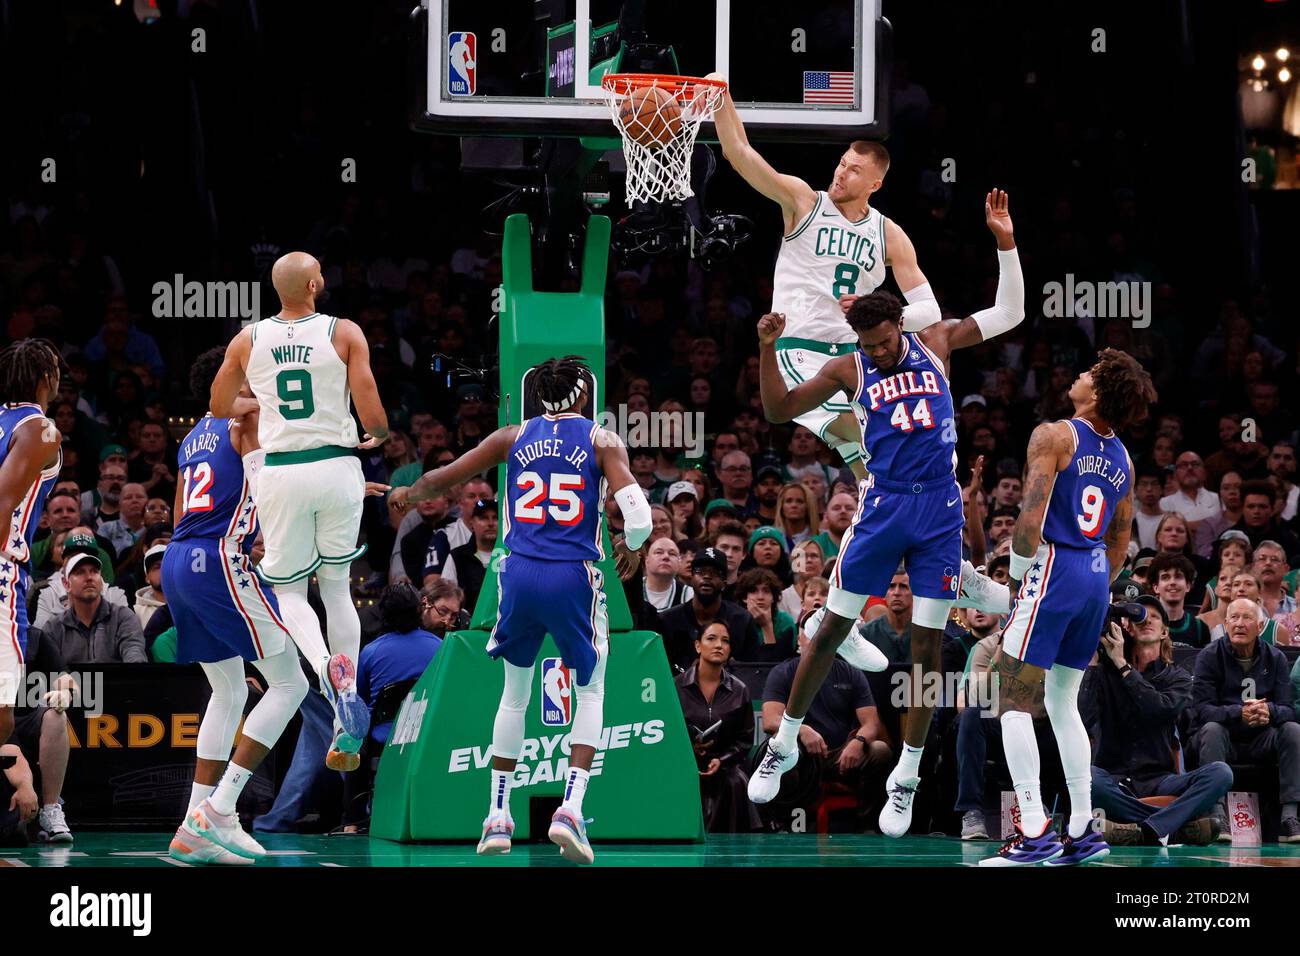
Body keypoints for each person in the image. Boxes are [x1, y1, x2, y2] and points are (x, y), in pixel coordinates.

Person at [747, 191, 1027, 844]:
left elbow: (1011, 310)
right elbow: (778, 410)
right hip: (882, 506)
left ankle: (905, 775)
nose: (876, 352)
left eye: (882, 342)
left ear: (899, 327)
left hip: (937, 509)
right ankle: (784, 742)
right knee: (833, 630)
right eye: (867, 345)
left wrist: (1004, 239)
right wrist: (767, 347)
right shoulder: (849, 367)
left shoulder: (936, 342)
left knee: (929, 646)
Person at [391, 356, 651, 864]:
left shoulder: (511, 435)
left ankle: (496, 817)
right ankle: (571, 808)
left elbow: (446, 475)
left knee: (514, 696)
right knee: (590, 688)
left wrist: (408, 492)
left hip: (520, 573)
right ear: (581, 396)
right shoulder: (601, 441)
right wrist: (634, 545)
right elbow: (638, 516)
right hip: (573, 574)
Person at [707, 74, 942, 478]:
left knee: (873, 469)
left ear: (875, 183)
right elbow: (740, 153)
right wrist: (721, 100)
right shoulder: (804, 201)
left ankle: (895, 525)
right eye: (842, 163)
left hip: (856, 357)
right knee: (872, 434)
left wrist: (878, 314)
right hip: (800, 349)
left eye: (853, 171)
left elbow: (930, 310)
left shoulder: (889, 234)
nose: (841, 173)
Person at [210, 251, 388, 771]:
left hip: (283, 471)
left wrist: (252, 401)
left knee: (288, 591)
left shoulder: (248, 338)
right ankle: (346, 701)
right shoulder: (344, 330)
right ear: (315, 284)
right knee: (336, 588)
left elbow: (219, 405)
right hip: (338, 467)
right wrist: (376, 433)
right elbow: (368, 395)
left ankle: (329, 680)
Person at [979, 349, 1154, 866]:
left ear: (1095, 393)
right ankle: (1082, 829)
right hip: (1096, 574)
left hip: (1053, 566)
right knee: (1062, 703)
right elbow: (1121, 541)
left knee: (1011, 699)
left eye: (1086, 374)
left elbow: (1029, 520)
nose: (1076, 375)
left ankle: (1033, 831)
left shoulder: (1053, 435)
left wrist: (1016, 579)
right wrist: (1092, 580)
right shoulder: (1123, 457)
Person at [162, 350, 313, 864]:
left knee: (227, 689)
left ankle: (192, 826)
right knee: (292, 682)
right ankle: (222, 807)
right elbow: (273, 483)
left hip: (178, 557)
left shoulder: (191, 435)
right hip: (216, 561)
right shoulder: (245, 416)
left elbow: (184, 509)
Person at [1084, 595, 1232, 847]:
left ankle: (1138, 829)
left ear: (1165, 631)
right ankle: (1168, 828)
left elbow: (1160, 710)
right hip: (1113, 778)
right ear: (1127, 627)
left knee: (1221, 773)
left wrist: (1122, 665)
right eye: (1139, 616)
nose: (1146, 620)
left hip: (1160, 779)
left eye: (1154, 616)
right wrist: (1094, 662)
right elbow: (1083, 718)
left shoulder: (1178, 677)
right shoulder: (1105, 673)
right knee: (1087, 778)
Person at [1191, 598, 1300, 842]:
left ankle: (1290, 817)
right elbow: (1201, 711)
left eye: (1247, 618)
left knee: (1293, 730)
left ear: (1260, 626)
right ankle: (1217, 814)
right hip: (1224, 738)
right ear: (1226, 623)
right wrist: (1238, 713)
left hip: (1262, 739)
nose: (1240, 624)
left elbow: (1288, 710)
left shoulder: (1276, 658)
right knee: (1211, 729)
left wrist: (1268, 711)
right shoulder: (1209, 656)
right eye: (1235, 618)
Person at [345, 583, 444, 830]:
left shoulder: (370, 652)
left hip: (383, 737)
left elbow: (362, 701)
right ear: (418, 609)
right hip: (429, 736)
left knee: (353, 740)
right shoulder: (440, 647)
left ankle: (351, 823)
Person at [674, 622, 761, 833]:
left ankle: (731, 851)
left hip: (723, 764)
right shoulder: (675, 687)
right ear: (698, 645)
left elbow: (744, 741)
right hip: (683, 763)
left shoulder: (740, 690)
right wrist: (688, 750)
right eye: (711, 639)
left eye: (725, 641)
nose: (719, 645)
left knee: (736, 781)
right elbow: (663, 732)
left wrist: (720, 760)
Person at [655, 547, 759, 671]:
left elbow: (752, 670)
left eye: (714, 572)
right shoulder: (668, 620)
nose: (707, 577)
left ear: (724, 583)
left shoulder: (742, 620)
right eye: (700, 571)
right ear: (691, 578)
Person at [642, 536, 693, 611]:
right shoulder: (628, 591)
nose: (666, 557)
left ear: (679, 563)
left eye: (672, 554)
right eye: (659, 552)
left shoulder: (690, 595)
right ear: (647, 561)